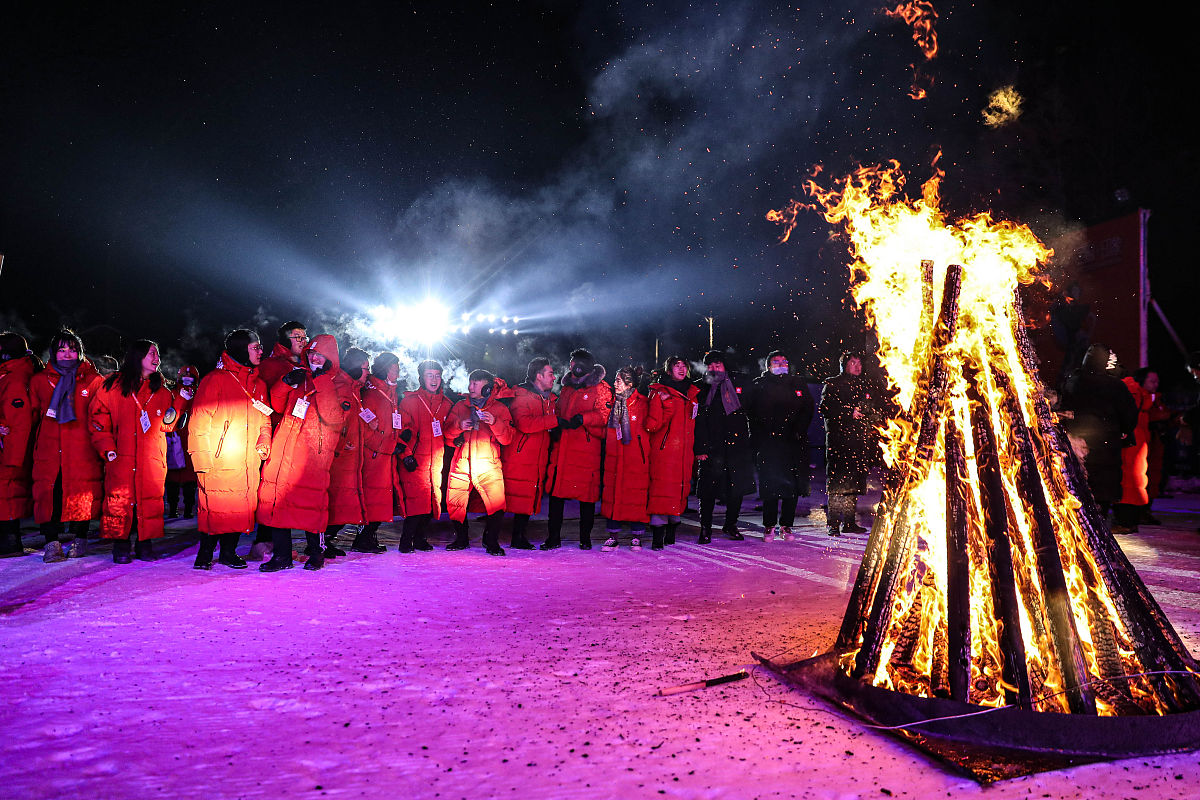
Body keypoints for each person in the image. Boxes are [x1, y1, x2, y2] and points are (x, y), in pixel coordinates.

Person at [89, 340, 188, 563]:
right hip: (120, 456)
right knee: (119, 500)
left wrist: (182, 400)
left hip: (151, 458)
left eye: (158, 354)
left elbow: (168, 424)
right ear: (137, 356)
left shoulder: (161, 391)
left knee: (150, 500)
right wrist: (108, 449)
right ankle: (121, 545)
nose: (157, 358)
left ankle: (145, 544)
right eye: (152, 353)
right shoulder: (112, 386)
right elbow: (97, 419)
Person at [256, 334, 345, 572]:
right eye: (312, 353)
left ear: (330, 358)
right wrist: (285, 381)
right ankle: (282, 555)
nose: (314, 358)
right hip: (285, 447)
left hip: (312, 454)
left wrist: (321, 381)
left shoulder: (338, 383)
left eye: (320, 355)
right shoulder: (300, 375)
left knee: (311, 504)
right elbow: (276, 404)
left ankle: (317, 553)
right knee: (279, 503)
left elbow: (333, 418)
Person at [188, 329, 272, 570]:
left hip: (247, 460)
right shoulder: (215, 379)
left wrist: (263, 441)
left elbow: (265, 419)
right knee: (214, 509)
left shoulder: (259, 384)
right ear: (241, 349)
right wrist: (202, 461)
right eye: (255, 347)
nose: (260, 351)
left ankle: (228, 552)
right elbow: (199, 422)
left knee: (239, 509)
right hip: (218, 460)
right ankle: (204, 554)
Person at [29, 330, 104, 562]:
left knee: (81, 494)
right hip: (49, 449)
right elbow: (30, 415)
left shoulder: (94, 381)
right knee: (49, 494)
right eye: (61, 350)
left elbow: (101, 415)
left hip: (81, 449)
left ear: (80, 352)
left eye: (72, 349)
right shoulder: (40, 380)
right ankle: (51, 543)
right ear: (53, 353)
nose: (67, 354)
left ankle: (80, 538)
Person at [543, 348, 611, 550]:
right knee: (556, 496)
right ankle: (553, 537)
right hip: (563, 449)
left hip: (586, 451)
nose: (575, 366)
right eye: (572, 362)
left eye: (579, 362)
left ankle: (585, 538)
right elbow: (558, 411)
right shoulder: (566, 388)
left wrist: (583, 419)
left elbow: (605, 415)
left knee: (586, 497)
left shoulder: (601, 388)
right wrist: (556, 425)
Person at [1061, 344, 1137, 519]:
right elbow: (1129, 414)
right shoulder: (1115, 386)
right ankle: (1099, 523)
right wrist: (1125, 431)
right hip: (1106, 443)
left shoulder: (1073, 379)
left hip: (1077, 441)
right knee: (1102, 487)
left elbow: (1063, 406)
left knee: (1079, 483)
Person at [444, 370, 515, 555]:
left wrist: (494, 422)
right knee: (455, 502)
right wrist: (458, 427)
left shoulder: (500, 409)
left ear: (487, 387)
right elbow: (447, 434)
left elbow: (507, 439)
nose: (470, 387)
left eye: (475, 384)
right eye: (470, 383)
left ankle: (491, 541)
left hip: (488, 464)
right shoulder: (460, 406)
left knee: (497, 502)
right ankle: (461, 539)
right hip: (462, 462)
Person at [747, 350, 815, 542]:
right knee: (770, 486)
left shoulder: (798, 383)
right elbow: (751, 413)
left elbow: (808, 408)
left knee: (791, 486)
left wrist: (798, 430)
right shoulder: (759, 385)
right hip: (769, 444)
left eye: (784, 361)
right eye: (776, 362)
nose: (781, 364)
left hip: (792, 443)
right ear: (768, 366)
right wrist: (762, 436)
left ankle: (787, 525)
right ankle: (769, 525)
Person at [693, 350, 755, 543]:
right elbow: (697, 421)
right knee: (708, 490)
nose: (713, 369)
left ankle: (731, 524)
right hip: (712, 447)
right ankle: (706, 527)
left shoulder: (740, 383)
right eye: (710, 365)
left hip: (737, 447)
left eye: (717, 365)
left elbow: (752, 413)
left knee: (735, 488)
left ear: (725, 366)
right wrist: (700, 448)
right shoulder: (699, 388)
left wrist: (750, 442)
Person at [501, 357, 558, 549]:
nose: (554, 377)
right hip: (521, 456)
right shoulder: (522, 395)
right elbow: (524, 424)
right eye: (550, 374)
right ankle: (496, 536)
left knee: (526, 498)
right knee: (512, 497)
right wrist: (554, 421)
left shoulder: (548, 398)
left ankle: (518, 536)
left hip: (536, 457)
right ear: (539, 376)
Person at [354, 351, 407, 554]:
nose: (398, 371)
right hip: (375, 455)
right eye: (395, 368)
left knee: (380, 500)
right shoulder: (373, 393)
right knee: (373, 500)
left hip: (384, 454)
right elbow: (365, 428)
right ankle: (364, 539)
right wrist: (383, 447)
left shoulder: (388, 392)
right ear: (386, 369)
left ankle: (367, 538)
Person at [397, 360, 453, 552]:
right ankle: (406, 541)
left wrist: (457, 436)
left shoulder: (446, 404)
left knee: (431, 501)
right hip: (415, 460)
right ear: (421, 377)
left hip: (435, 460)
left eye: (437, 375)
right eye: (430, 375)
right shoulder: (409, 401)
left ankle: (420, 539)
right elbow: (402, 430)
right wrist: (405, 455)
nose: (434, 379)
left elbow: (448, 432)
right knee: (415, 502)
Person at [820, 351, 878, 536]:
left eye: (859, 363)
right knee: (838, 484)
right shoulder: (832, 383)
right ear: (844, 365)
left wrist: (871, 415)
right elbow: (826, 408)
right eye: (853, 363)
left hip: (858, 441)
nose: (857, 366)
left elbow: (871, 408)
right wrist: (848, 412)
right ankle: (834, 523)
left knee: (853, 483)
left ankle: (849, 522)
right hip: (839, 441)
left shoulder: (863, 385)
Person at [645, 356, 699, 550]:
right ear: (669, 370)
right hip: (665, 451)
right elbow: (651, 426)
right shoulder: (658, 392)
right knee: (662, 493)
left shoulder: (691, 393)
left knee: (679, 492)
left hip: (684, 452)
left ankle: (671, 533)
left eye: (684, 366)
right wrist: (665, 410)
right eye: (677, 366)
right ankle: (658, 536)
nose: (682, 369)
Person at [323, 346, 371, 559]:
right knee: (337, 504)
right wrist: (341, 446)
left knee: (343, 505)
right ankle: (322, 541)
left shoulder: (353, 389)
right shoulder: (342, 387)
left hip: (350, 457)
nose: (368, 372)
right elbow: (335, 421)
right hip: (341, 458)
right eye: (365, 368)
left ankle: (326, 540)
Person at [600, 367, 650, 551]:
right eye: (615, 380)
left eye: (619, 380)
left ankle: (637, 536)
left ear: (630, 383)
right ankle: (613, 535)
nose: (615, 383)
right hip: (615, 456)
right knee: (613, 495)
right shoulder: (611, 402)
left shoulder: (643, 403)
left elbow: (652, 425)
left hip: (636, 456)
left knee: (635, 495)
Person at [0, 333, 40, 557]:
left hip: (9, 448)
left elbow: (19, 420)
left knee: (7, 494)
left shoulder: (15, 377)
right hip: (7, 445)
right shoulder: (10, 372)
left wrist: (12, 455)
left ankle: (9, 542)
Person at [164, 364, 199, 519]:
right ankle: (172, 507)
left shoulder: (198, 395)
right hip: (175, 439)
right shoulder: (171, 394)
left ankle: (189, 508)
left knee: (190, 479)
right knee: (172, 478)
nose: (187, 382)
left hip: (191, 440)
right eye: (184, 378)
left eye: (190, 379)